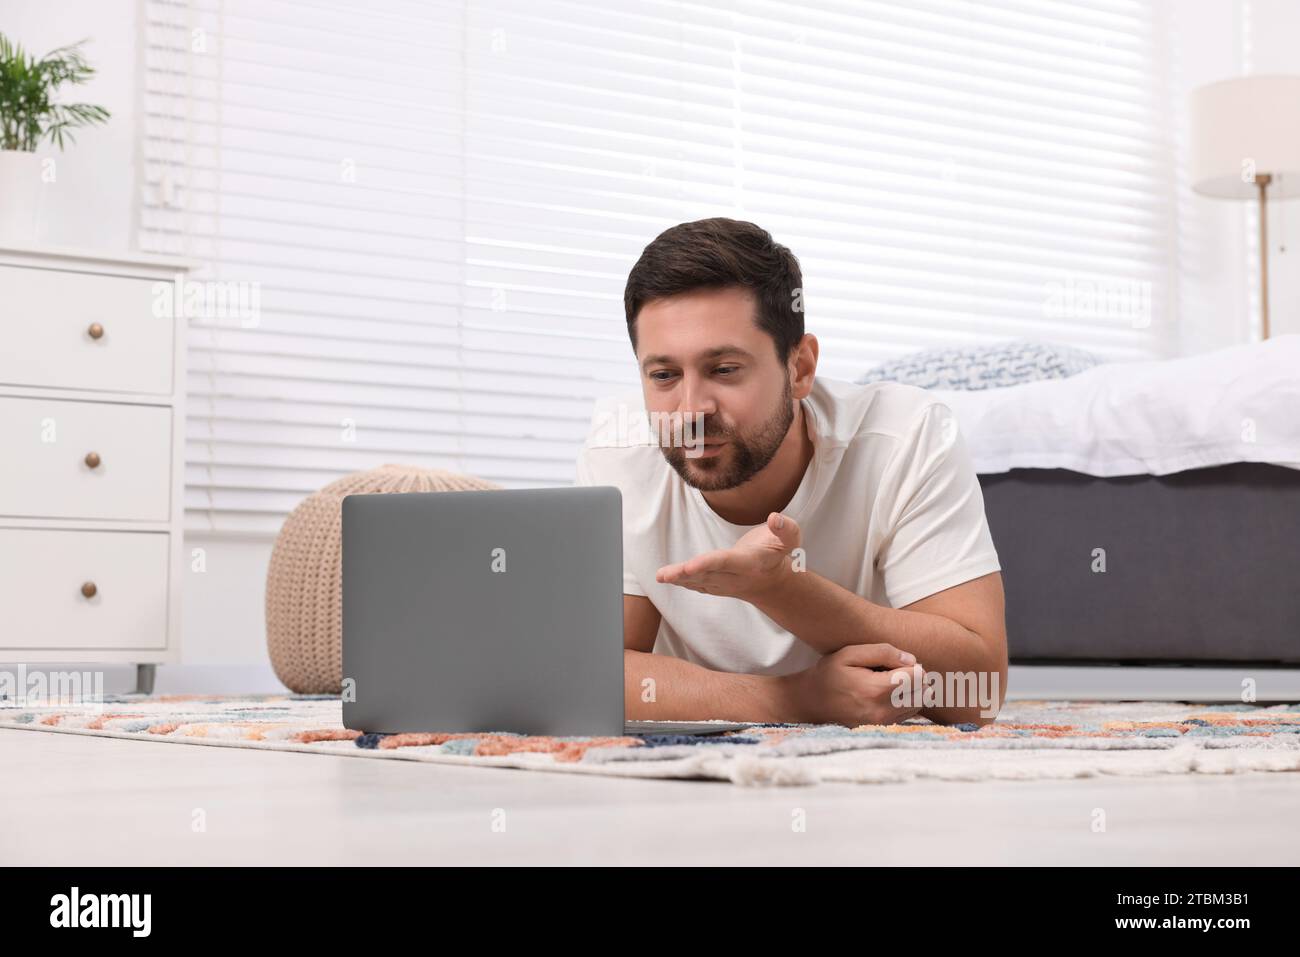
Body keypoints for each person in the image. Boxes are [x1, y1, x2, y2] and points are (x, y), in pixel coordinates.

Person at [576, 218, 1006, 727]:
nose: (689, 410)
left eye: (725, 369)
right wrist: (795, 700)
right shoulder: (620, 454)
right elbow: (589, 677)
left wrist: (782, 587)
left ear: (799, 368)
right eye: (664, 375)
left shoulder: (906, 436)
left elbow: (977, 690)